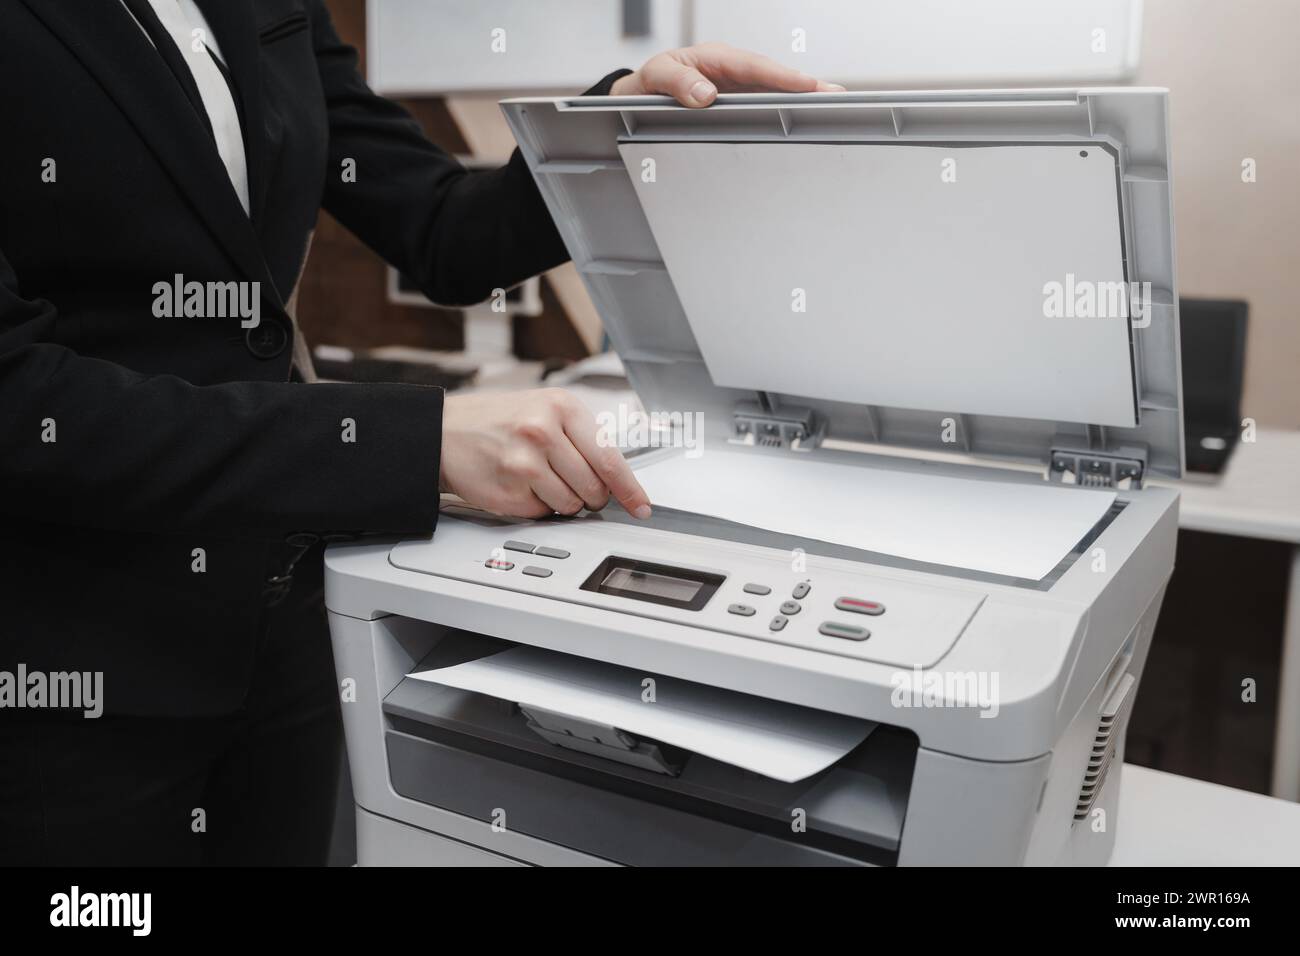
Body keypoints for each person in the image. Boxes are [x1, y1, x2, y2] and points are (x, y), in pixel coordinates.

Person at [0, 0, 840, 865]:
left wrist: (615, 130)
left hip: (278, 611)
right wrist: (411, 439)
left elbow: (440, 226)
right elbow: (18, 401)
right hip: (73, 657)